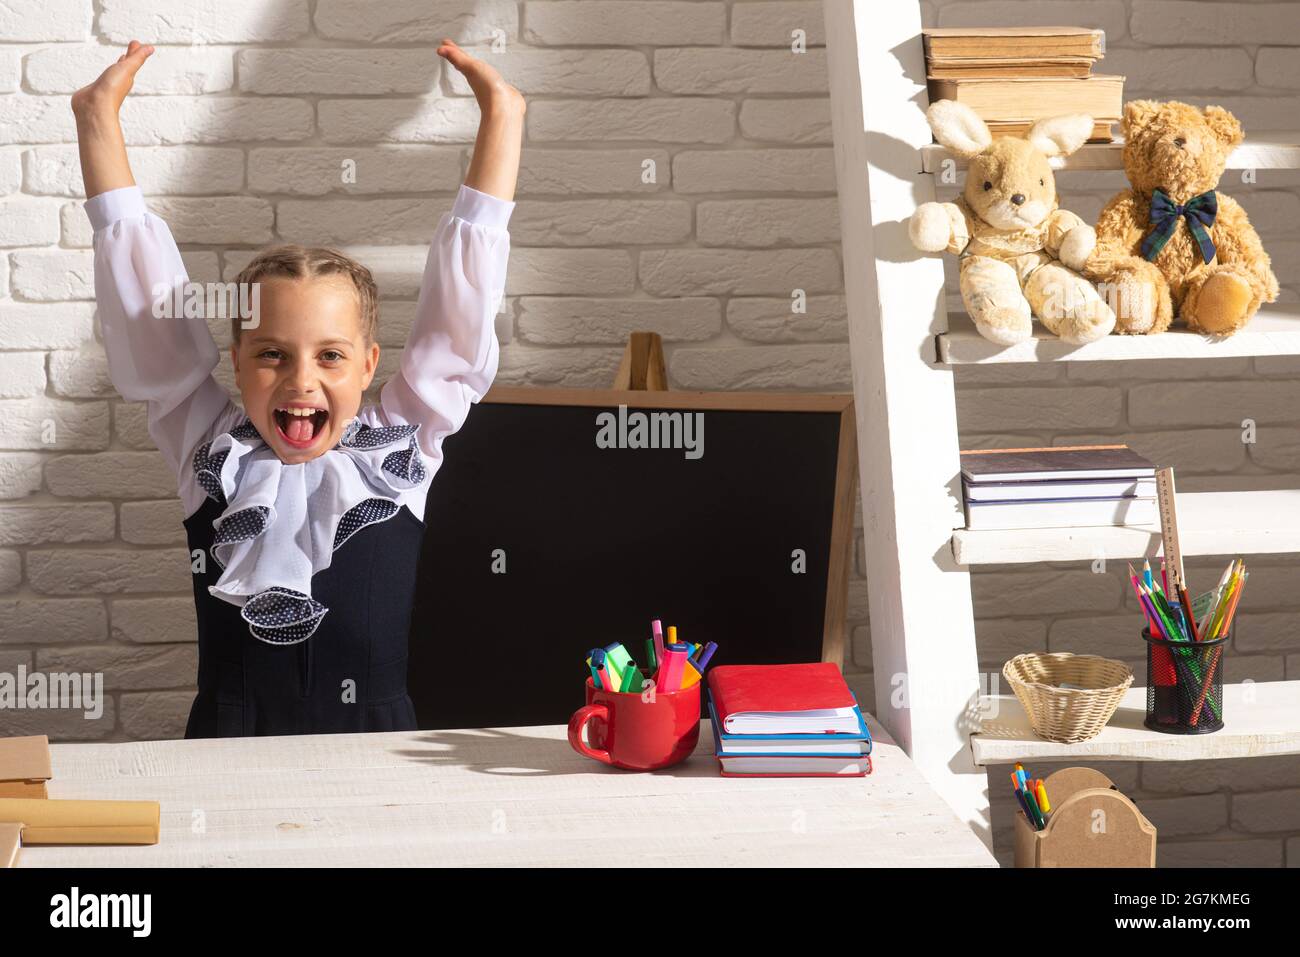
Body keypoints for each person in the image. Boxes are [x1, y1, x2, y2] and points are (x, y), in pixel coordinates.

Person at [71, 39, 525, 736]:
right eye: (273, 354)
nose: (301, 380)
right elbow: (151, 320)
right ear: (235, 357)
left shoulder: (402, 452)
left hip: (379, 758)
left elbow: (455, 328)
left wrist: (503, 115)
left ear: (370, 364)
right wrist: (98, 119)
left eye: (331, 356)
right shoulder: (210, 450)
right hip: (226, 757)